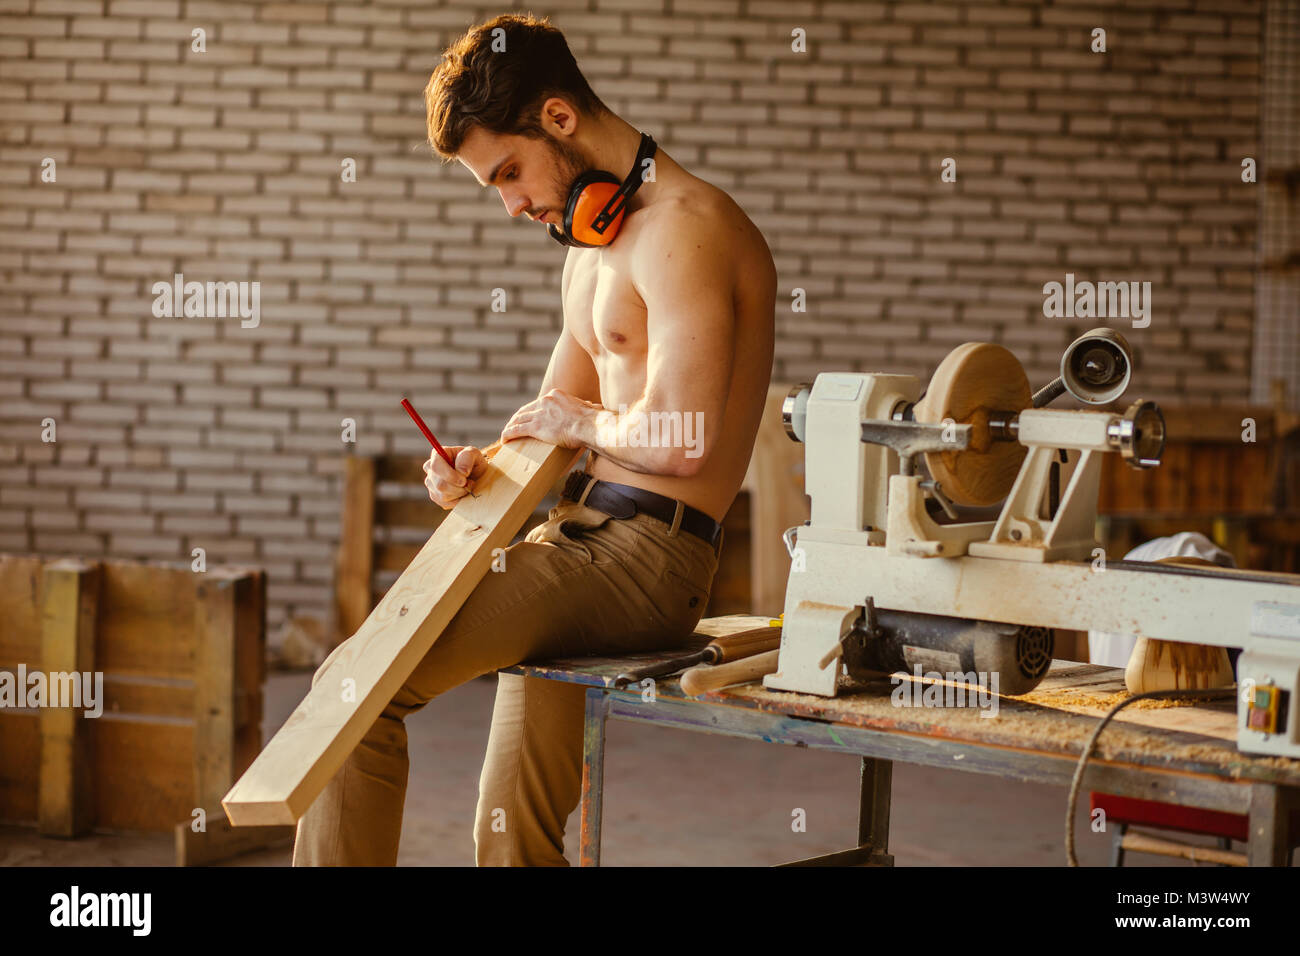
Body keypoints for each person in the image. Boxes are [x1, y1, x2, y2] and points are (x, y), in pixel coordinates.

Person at [292, 13, 776, 866]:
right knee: (507, 834)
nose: (514, 203)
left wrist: (577, 424)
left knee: (357, 688)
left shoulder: (688, 228)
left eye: (510, 173)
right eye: (495, 186)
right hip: (577, 538)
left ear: (559, 117)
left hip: (648, 563)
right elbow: (556, 414)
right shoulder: (591, 248)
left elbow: (688, 440)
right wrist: (479, 469)